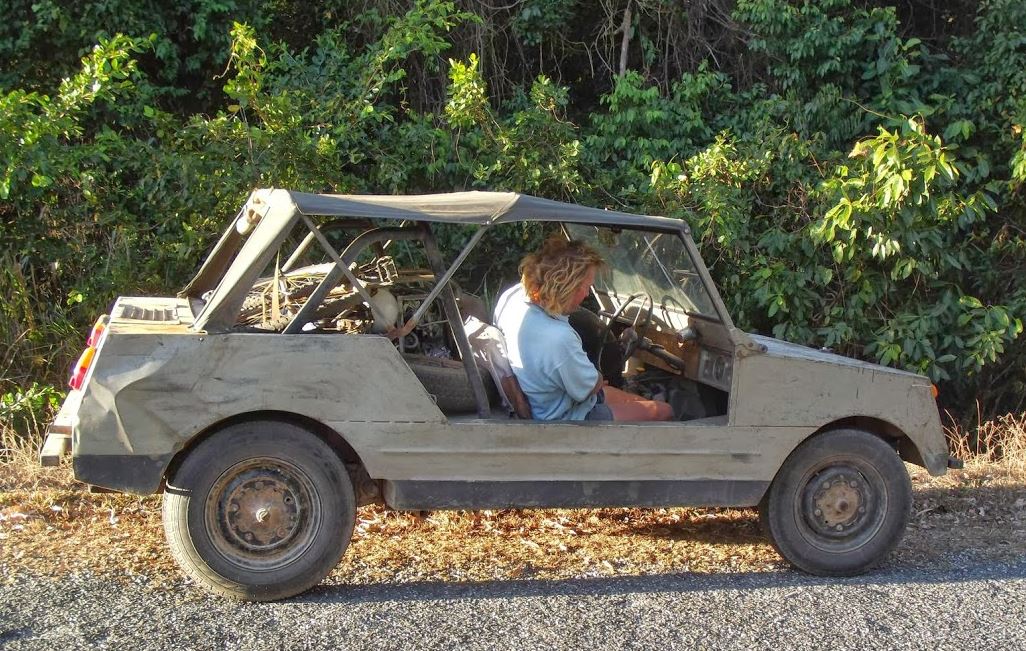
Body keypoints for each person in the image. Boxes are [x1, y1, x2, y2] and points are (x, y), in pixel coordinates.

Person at [494, 237, 673, 422]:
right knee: (664, 411)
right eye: (586, 286)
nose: (587, 293)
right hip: (566, 417)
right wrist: (595, 380)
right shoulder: (559, 338)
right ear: (567, 286)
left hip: (545, 398)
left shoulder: (512, 297)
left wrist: (593, 383)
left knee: (625, 396)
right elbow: (589, 389)